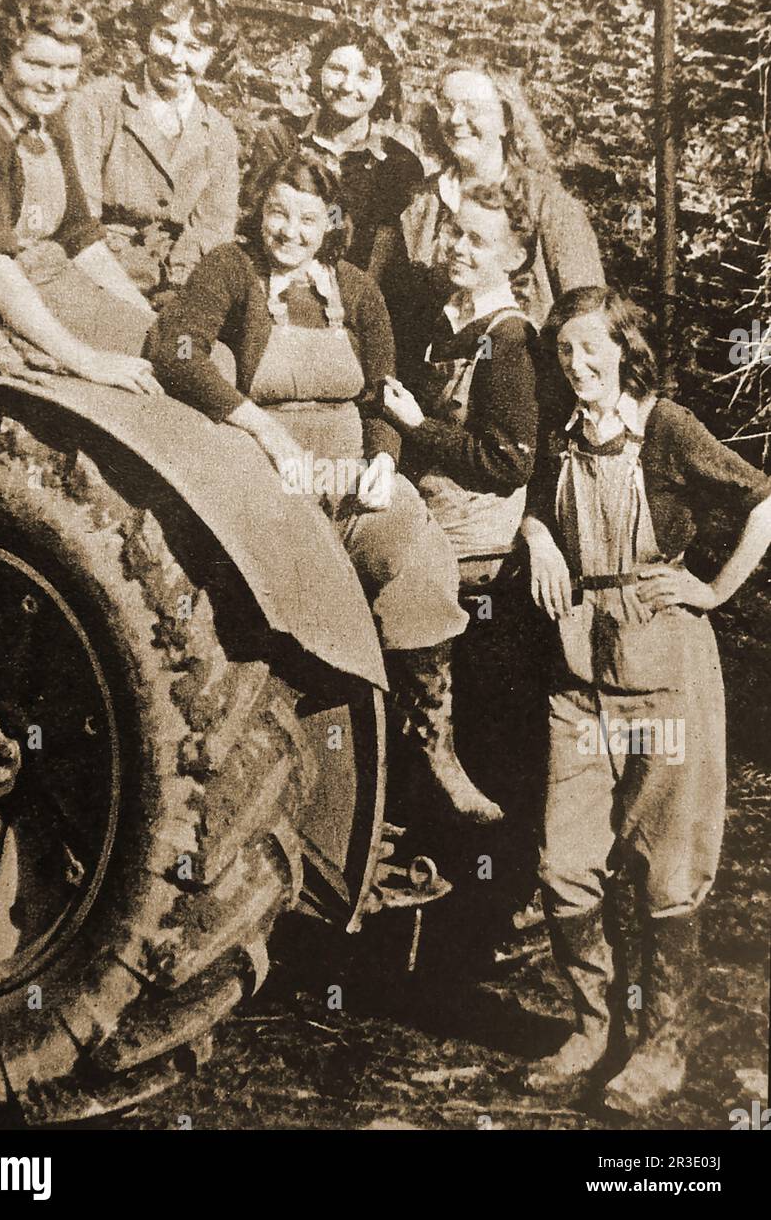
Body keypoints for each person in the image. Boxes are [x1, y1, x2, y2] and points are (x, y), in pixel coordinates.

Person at [147, 152, 504, 823]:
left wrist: (384, 462)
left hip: (348, 477)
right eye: (278, 211)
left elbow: (380, 393)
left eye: (307, 218)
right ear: (260, 209)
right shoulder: (232, 268)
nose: (288, 230)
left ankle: (430, 742)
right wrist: (256, 426)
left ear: (329, 221)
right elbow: (177, 350)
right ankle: (296, 775)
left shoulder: (356, 290)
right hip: (264, 475)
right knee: (296, 599)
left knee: (415, 548)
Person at [520, 285, 771, 1111]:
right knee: (565, 865)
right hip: (578, 674)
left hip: (665, 672)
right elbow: (531, 507)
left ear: (625, 349)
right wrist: (537, 543)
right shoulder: (556, 440)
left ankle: (659, 1048)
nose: (576, 365)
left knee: (666, 873)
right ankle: (592, 1029)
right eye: (563, 353)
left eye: (591, 348)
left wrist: (713, 591)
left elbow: (762, 501)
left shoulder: (665, 429)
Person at [382, 192, 547, 913]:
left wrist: (416, 428)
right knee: (433, 735)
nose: (457, 247)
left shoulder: (510, 341)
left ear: (513, 257)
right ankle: (438, 899)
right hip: (433, 549)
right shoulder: (447, 320)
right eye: (454, 231)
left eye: (478, 241)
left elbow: (507, 460)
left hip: (477, 565)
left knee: (479, 743)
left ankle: (501, 908)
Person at [0, 0, 160, 394]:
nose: (54, 82)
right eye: (37, 65)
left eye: (67, 69)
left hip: (40, 293)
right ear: (0, 55)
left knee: (173, 352)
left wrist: (148, 320)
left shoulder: (47, 121)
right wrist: (88, 361)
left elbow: (81, 238)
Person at [398, 58, 604, 367]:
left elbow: (589, 313)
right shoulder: (420, 202)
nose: (455, 119)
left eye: (473, 108)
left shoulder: (550, 205)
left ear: (506, 120)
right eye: (446, 105)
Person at [68, 0, 240, 310]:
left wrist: (177, 292)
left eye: (194, 47)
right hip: (99, 277)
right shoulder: (97, 104)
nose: (176, 57)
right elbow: (79, 221)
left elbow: (211, 234)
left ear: (214, 56)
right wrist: (132, 300)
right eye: (166, 37)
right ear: (147, 34)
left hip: (178, 289)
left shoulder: (219, 134)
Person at [248, 17, 423, 294]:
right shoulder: (281, 139)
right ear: (318, 72)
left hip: (356, 297)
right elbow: (260, 226)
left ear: (383, 87)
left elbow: (383, 253)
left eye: (365, 76)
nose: (347, 86)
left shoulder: (397, 163)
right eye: (337, 70)